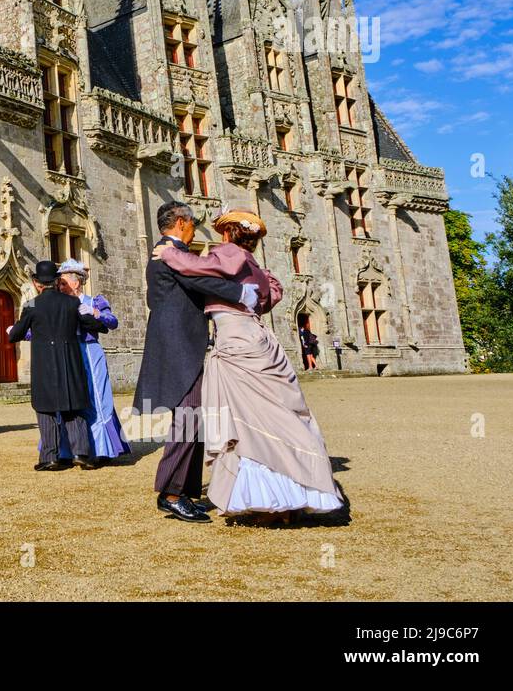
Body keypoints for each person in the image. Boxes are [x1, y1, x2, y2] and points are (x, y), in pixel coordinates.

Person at [154, 210, 344, 523]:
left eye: (221, 232)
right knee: (272, 416)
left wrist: (171, 253)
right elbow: (273, 293)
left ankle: (270, 500)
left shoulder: (228, 254)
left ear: (229, 234)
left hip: (236, 342)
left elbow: (202, 266)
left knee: (248, 422)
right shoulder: (254, 265)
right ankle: (290, 495)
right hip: (258, 337)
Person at [134, 200, 256, 523]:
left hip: (180, 343)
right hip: (178, 346)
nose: (193, 229)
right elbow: (199, 281)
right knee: (187, 416)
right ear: (179, 223)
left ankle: (186, 490)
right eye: (190, 224)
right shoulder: (169, 254)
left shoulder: (164, 254)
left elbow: (159, 296)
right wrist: (239, 293)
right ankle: (171, 494)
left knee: (195, 416)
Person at [7, 260, 107, 471]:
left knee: (46, 409)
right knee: (75, 407)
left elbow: (16, 333)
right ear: (56, 281)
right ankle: (81, 453)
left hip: (44, 364)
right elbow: (93, 324)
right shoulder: (72, 303)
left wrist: (11, 331)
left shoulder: (32, 305)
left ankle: (50, 457)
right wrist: (100, 321)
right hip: (70, 361)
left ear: (36, 283)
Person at [50, 259, 129, 463]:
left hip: (90, 352)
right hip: (68, 352)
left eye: (63, 282)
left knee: (97, 397)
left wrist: (95, 313)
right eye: (59, 283)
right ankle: (70, 449)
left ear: (76, 282)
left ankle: (102, 449)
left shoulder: (95, 301)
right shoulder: (59, 304)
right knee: (69, 398)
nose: (59, 286)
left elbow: (112, 321)